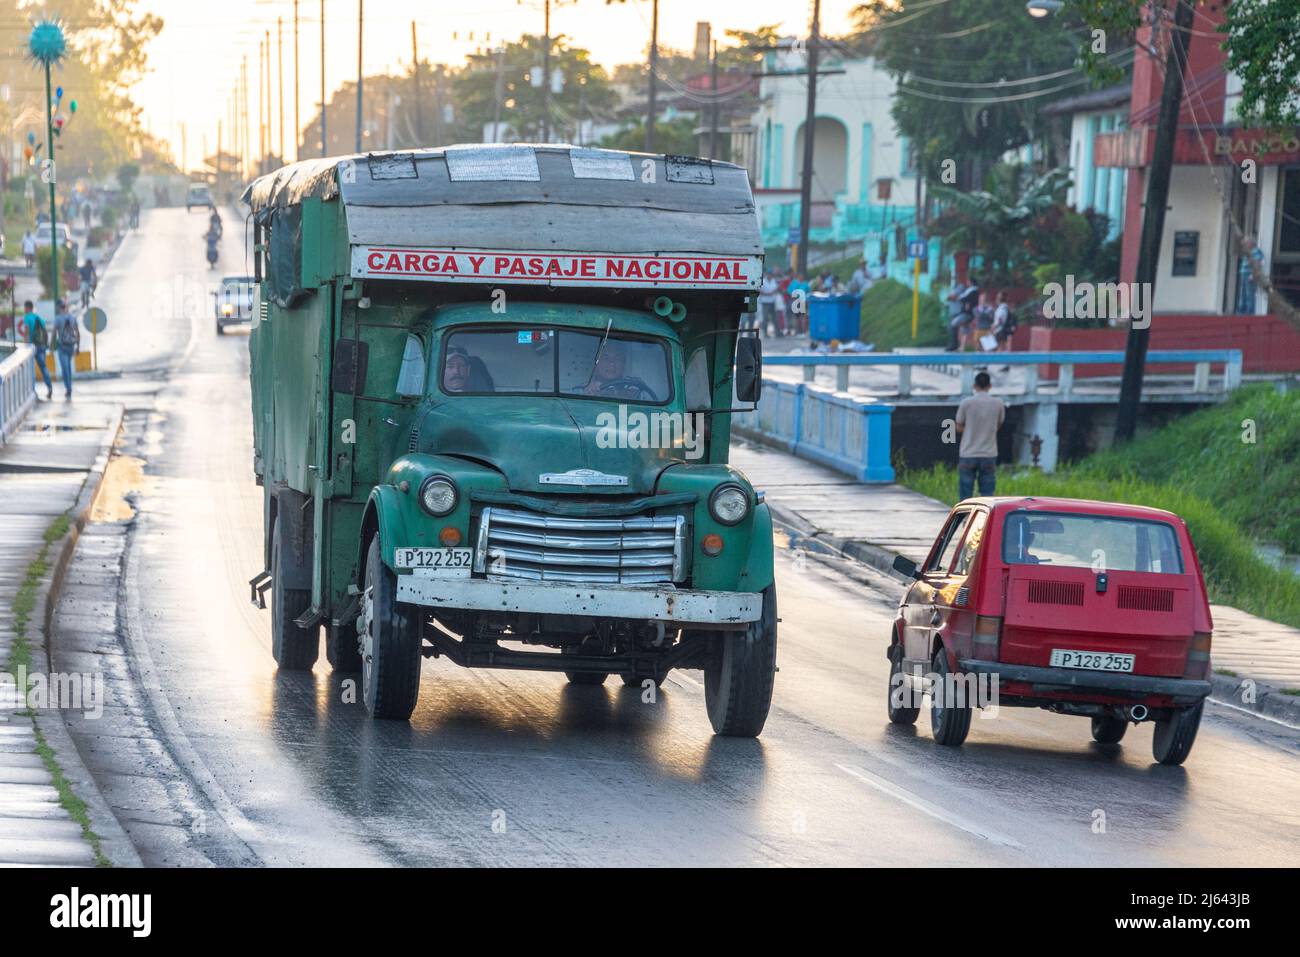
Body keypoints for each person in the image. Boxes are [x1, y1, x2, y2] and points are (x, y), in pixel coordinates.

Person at [955, 370, 1005, 499]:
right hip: (989, 454)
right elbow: (999, 425)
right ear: (990, 386)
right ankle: (986, 518)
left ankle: (965, 518)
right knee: (987, 494)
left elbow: (958, 425)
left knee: (966, 494)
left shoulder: (966, 403)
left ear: (974, 386)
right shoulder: (998, 403)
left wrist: (970, 430)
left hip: (968, 453)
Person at [21, 300, 53, 400]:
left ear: (27, 308)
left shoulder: (27, 317)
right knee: (43, 367)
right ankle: (49, 387)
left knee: (31, 369)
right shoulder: (39, 318)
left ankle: (33, 391)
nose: (24, 309)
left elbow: (26, 332)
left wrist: (25, 345)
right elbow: (45, 332)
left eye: (24, 307)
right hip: (42, 345)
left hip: (32, 346)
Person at [52, 298, 79, 399]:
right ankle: (69, 387)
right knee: (68, 367)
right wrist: (78, 347)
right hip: (71, 346)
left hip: (62, 346)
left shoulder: (58, 318)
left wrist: (51, 346)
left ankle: (68, 388)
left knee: (65, 368)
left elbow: (54, 333)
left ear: (59, 307)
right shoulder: (72, 317)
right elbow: (78, 333)